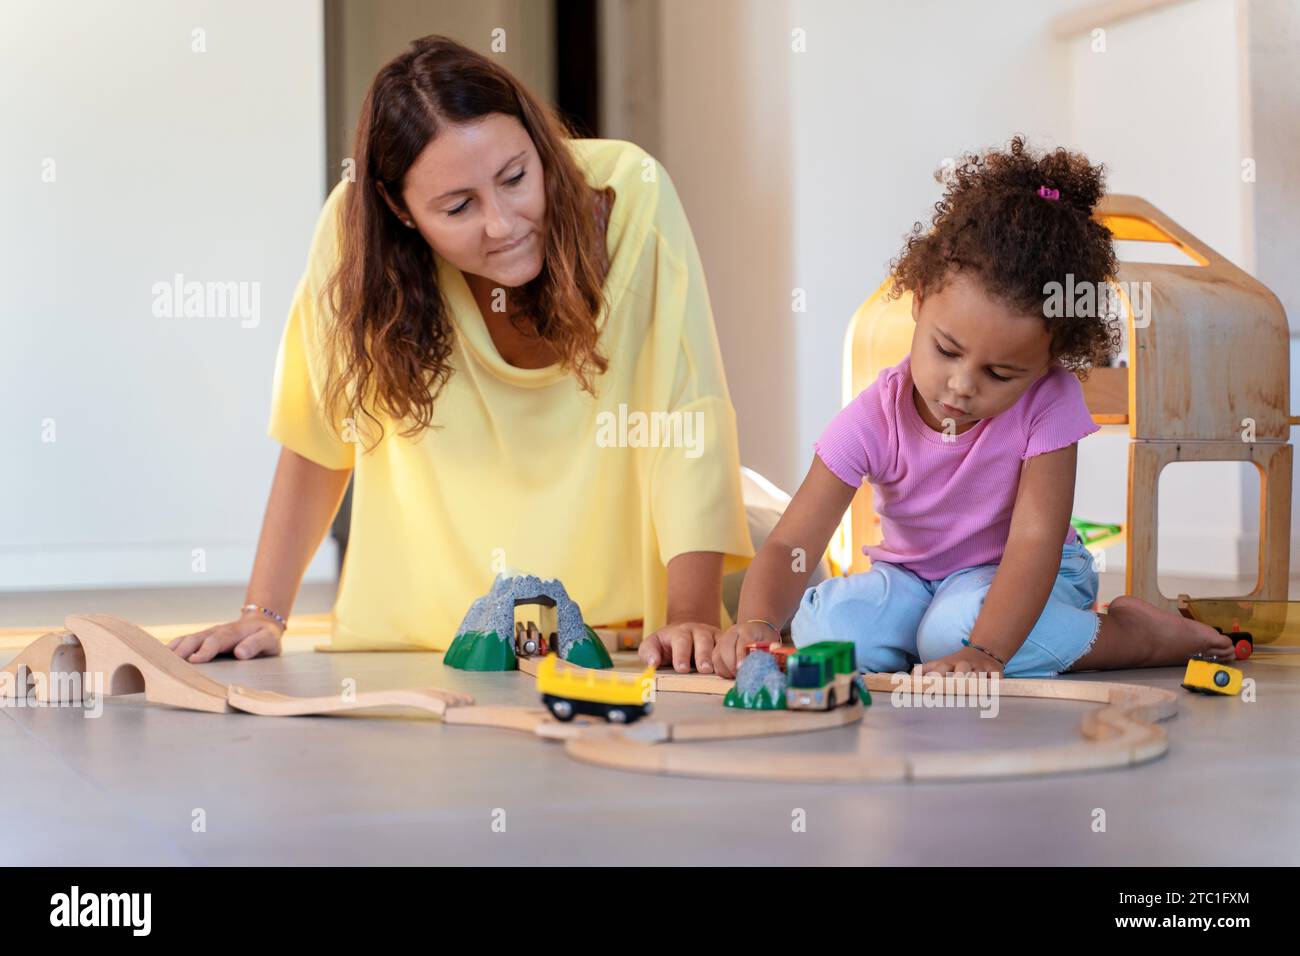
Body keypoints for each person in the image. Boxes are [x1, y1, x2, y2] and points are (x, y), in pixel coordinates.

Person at [168, 36, 752, 669]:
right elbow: (318, 439)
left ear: (539, 142)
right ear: (400, 210)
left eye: (516, 178)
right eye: (458, 206)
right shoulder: (352, 235)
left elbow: (686, 415)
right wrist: (263, 614)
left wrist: (689, 617)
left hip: (617, 638)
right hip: (420, 640)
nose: (502, 223)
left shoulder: (634, 192)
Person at [709, 137, 1233, 679]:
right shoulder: (872, 417)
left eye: (1000, 374)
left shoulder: (1049, 402)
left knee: (952, 629)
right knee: (832, 630)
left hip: (1028, 575)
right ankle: (946, 642)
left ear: (1050, 359)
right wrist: (760, 625)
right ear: (917, 300)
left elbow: (1034, 541)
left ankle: (1133, 635)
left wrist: (985, 653)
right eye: (946, 350)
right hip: (917, 581)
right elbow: (794, 540)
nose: (961, 386)